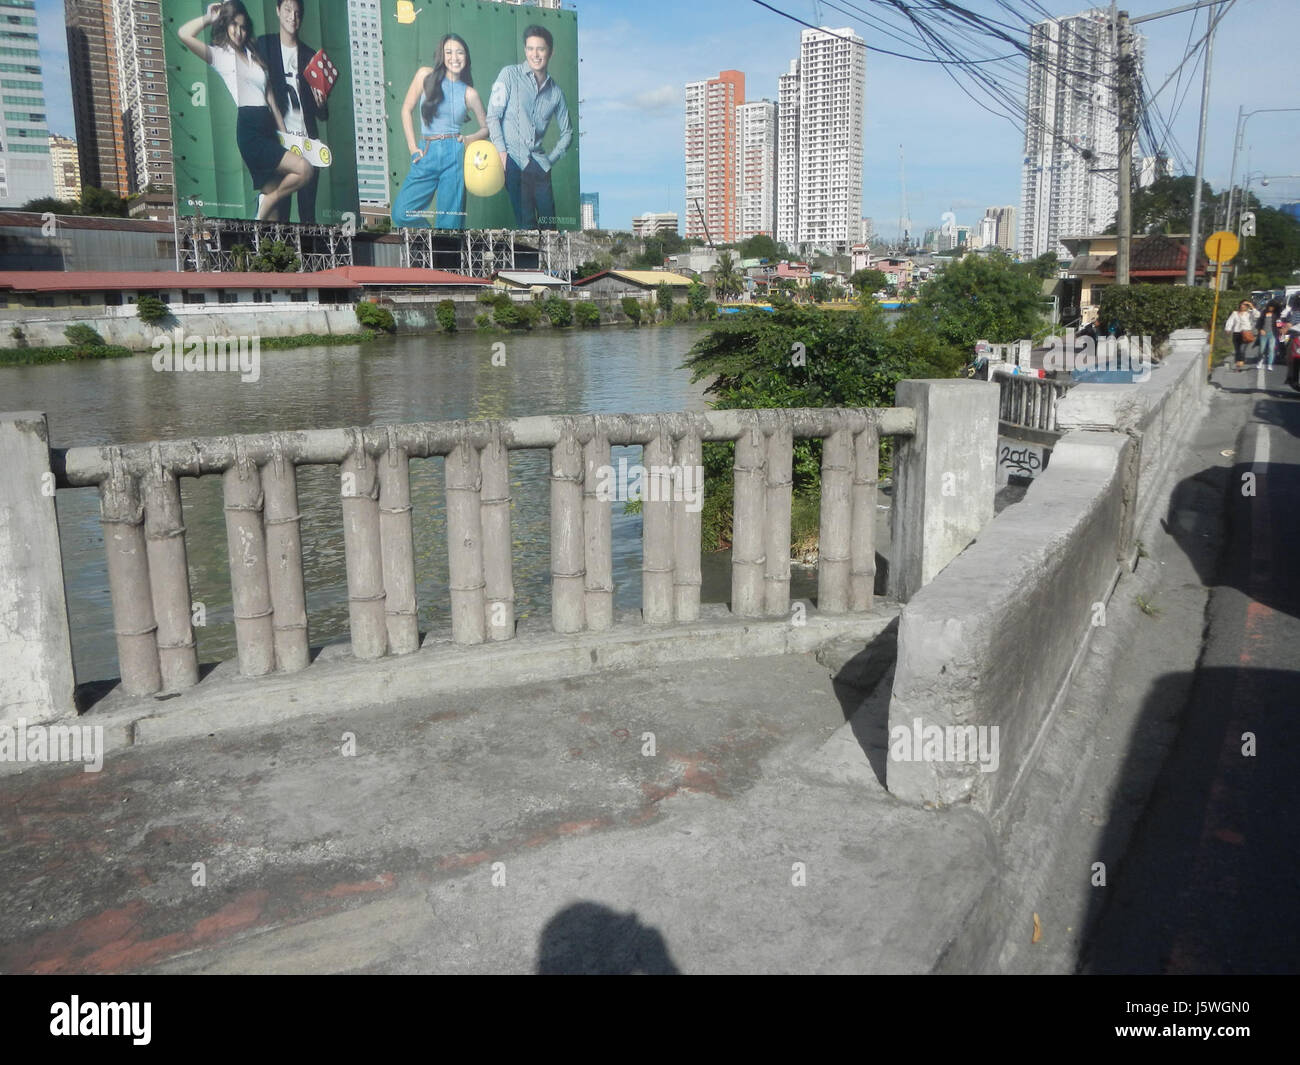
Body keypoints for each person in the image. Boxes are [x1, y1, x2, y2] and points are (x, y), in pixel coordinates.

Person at [179, 1, 311, 221]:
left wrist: (286, 135)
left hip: (269, 128)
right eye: (234, 26)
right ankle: (266, 200)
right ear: (225, 25)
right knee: (304, 170)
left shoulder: (253, 55)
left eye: (243, 27)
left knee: (274, 219)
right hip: (250, 130)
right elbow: (184, 34)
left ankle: (263, 242)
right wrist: (208, 18)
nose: (239, 32)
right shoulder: (220, 55)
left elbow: (271, 100)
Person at [390, 34, 488, 230]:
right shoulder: (424, 75)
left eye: (460, 53)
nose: (455, 57)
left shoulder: (470, 93)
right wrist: (412, 147)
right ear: (441, 56)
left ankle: (444, 254)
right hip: (426, 150)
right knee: (401, 213)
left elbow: (487, 128)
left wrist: (469, 138)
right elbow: (406, 109)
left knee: (450, 224)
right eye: (449, 52)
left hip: (455, 153)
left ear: (466, 57)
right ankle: (432, 238)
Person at [486, 24, 572, 230]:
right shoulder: (509, 75)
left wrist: (550, 160)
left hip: (540, 165)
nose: (535, 54)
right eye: (530, 48)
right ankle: (530, 262)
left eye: (540, 49)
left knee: (550, 226)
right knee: (526, 226)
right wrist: (501, 153)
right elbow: (493, 116)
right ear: (525, 50)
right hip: (513, 161)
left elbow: (568, 132)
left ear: (550, 52)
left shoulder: (556, 93)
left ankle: (551, 263)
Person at [255, 0, 328, 223]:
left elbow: (323, 114)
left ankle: (309, 254)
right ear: (278, 11)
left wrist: (321, 101)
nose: (292, 17)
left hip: (307, 141)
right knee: (280, 211)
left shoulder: (311, 56)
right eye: (287, 10)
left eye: (297, 13)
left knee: (308, 213)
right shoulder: (264, 45)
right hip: (279, 140)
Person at [1223, 299, 1259, 371]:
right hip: (1236, 333)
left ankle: (1241, 363)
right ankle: (1237, 362)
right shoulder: (1235, 313)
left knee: (1242, 349)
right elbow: (1230, 321)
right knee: (1237, 349)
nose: (1243, 306)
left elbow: (1258, 315)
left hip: (1246, 333)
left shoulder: (1250, 313)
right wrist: (1228, 329)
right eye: (1242, 304)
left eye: (1245, 305)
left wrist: (1252, 306)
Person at [1257, 299, 1283, 371]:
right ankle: (1260, 361)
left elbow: (1279, 324)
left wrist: (1280, 329)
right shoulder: (1263, 313)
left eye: (1272, 307)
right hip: (1264, 333)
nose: (1271, 308)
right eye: (1270, 306)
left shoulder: (1276, 315)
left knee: (1271, 349)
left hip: (1273, 334)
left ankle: (1270, 364)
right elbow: (1259, 323)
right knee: (1261, 349)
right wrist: (1260, 329)